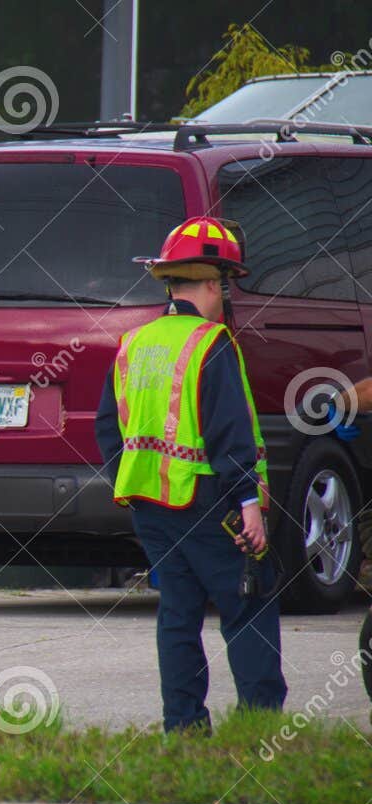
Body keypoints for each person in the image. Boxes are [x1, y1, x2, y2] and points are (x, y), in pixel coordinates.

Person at [96, 216, 286, 732]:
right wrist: (249, 504)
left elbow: (107, 429)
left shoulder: (133, 344)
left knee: (178, 616)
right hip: (211, 503)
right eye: (224, 285)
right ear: (209, 285)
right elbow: (231, 433)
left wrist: (132, 483)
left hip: (151, 508)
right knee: (248, 604)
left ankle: (183, 727)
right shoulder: (211, 343)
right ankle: (261, 727)